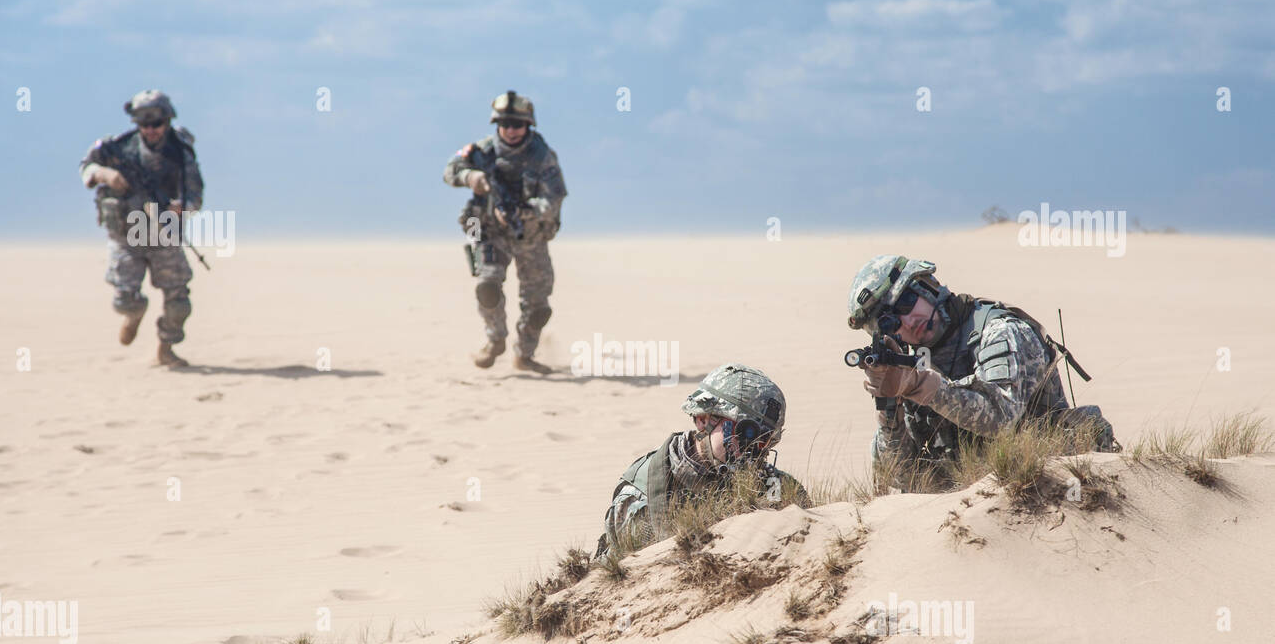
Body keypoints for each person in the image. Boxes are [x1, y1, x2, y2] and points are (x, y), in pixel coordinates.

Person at [845, 254, 1118, 489]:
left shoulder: (1000, 332)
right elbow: (901, 476)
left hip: (1047, 490)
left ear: (927, 286)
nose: (907, 322)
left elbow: (1000, 418)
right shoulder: (916, 365)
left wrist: (920, 386)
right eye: (891, 323)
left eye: (906, 303)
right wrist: (889, 402)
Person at [598, 363, 806, 556]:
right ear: (703, 420)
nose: (753, 450)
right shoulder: (644, 496)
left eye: (764, 441)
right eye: (745, 433)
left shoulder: (780, 488)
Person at [443, 91, 567, 373]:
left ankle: (524, 354)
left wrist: (525, 211)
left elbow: (554, 198)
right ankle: (495, 340)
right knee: (487, 288)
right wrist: (471, 177)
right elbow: (450, 170)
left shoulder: (543, 157)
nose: (511, 130)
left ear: (528, 125)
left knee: (538, 308)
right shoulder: (482, 151)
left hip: (530, 237)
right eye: (505, 124)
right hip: (491, 234)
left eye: (517, 124)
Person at [80, 90, 203, 368]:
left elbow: (196, 195)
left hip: (164, 234)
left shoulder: (181, 154)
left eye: (156, 123)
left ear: (167, 121)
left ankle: (165, 348)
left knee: (179, 302)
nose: (150, 130)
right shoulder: (117, 148)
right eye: (143, 124)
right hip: (126, 235)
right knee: (124, 300)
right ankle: (134, 315)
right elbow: (86, 166)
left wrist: (181, 207)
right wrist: (103, 174)